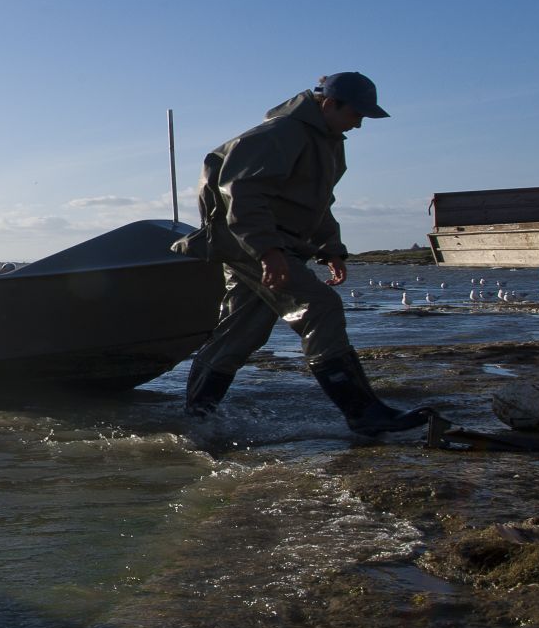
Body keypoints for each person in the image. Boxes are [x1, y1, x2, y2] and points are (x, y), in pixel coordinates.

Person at [174, 72, 430, 437]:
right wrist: (268, 251)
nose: (359, 124)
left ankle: (196, 418)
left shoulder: (325, 140)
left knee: (242, 331)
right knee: (320, 307)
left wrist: (331, 250)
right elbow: (242, 194)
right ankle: (363, 413)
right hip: (248, 242)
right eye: (356, 114)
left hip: (270, 243)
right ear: (329, 103)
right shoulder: (281, 134)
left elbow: (318, 203)